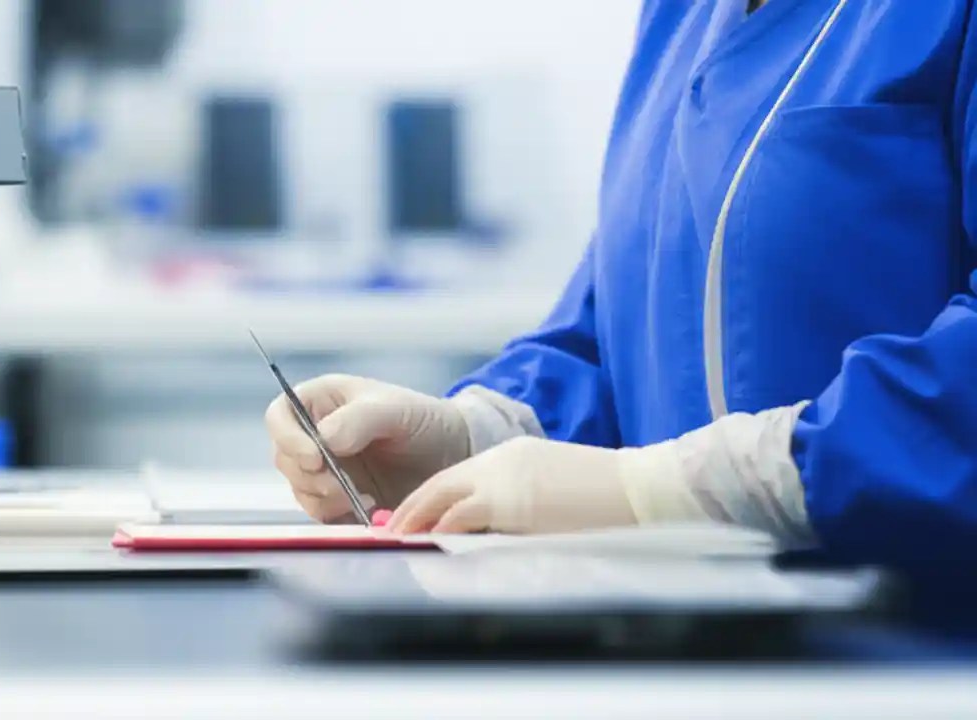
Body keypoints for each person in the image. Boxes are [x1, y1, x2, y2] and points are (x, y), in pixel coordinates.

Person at [266, 0, 977, 578]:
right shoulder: (681, 18)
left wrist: (663, 491)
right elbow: (623, 329)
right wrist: (471, 441)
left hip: (919, 653)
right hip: (697, 650)